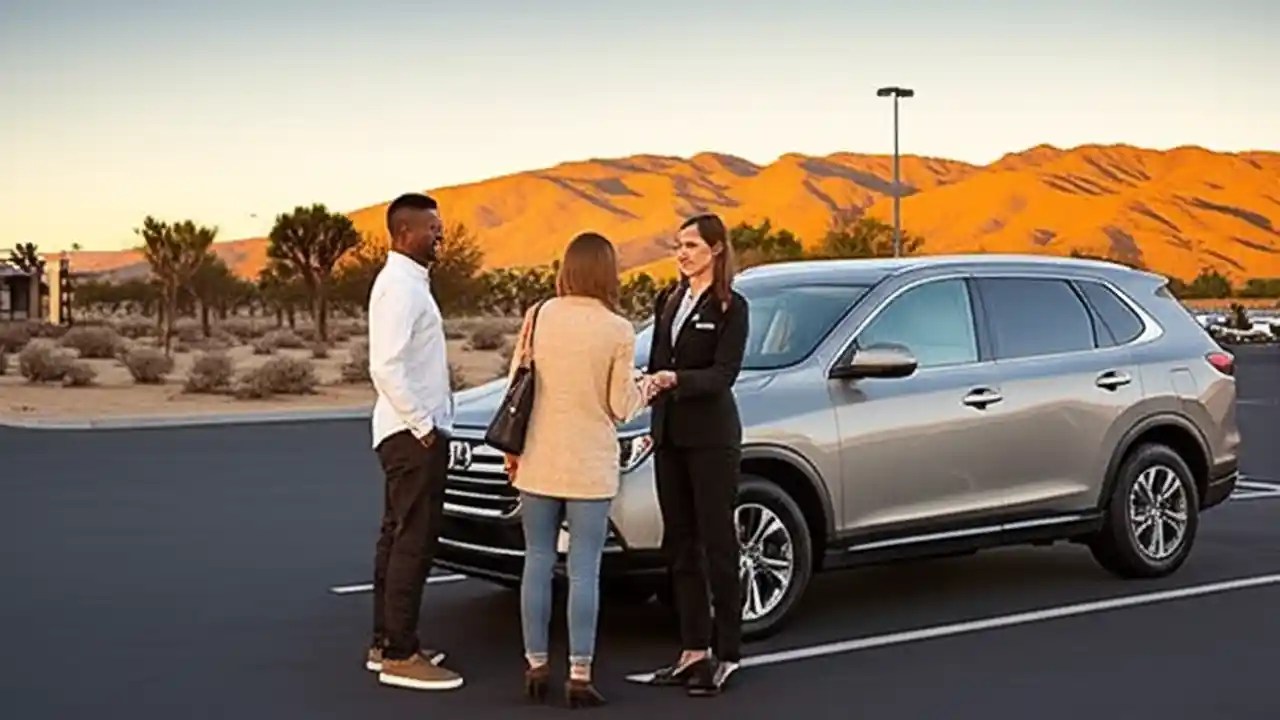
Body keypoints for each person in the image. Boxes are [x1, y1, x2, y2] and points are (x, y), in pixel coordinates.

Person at [502, 232, 648, 708]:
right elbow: (621, 406)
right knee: (585, 569)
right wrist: (652, 386)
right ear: (607, 271)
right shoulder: (617, 329)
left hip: (539, 456)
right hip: (589, 464)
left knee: (537, 560)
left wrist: (513, 449)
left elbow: (515, 384)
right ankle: (580, 675)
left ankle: (536, 666)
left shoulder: (538, 315)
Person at [634, 212, 749, 696]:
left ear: (716, 250)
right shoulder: (668, 300)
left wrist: (676, 380)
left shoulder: (731, 307)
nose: (682, 254)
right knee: (679, 546)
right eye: (678, 245)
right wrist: (648, 402)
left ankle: (727, 652)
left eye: (692, 246)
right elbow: (658, 363)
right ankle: (692, 650)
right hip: (671, 438)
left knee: (717, 544)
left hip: (712, 439)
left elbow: (723, 375)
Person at [364, 192, 464, 691]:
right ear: (404, 233)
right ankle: (401, 655)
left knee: (397, 535)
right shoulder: (401, 287)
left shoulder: (409, 283)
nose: (440, 234)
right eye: (432, 227)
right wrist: (424, 425)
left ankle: (388, 641)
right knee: (413, 541)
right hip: (410, 435)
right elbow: (384, 365)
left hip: (406, 431)